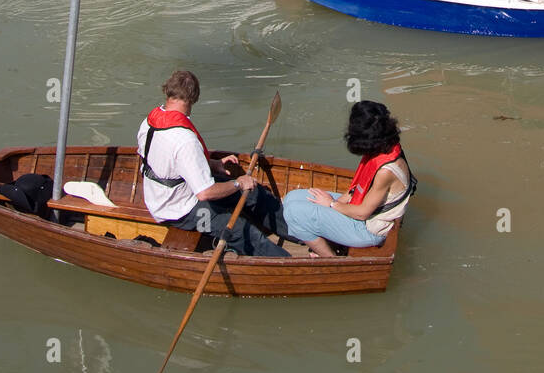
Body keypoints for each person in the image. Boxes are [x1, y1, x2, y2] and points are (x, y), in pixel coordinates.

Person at [136, 69, 291, 257]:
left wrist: (212, 164)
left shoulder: (149, 122)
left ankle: (297, 232)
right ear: (194, 97)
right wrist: (238, 183)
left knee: (254, 195)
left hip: (170, 193)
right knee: (240, 230)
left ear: (168, 92)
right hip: (179, 211)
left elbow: (171, 160)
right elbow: (205, 193)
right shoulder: (185, 140)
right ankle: (288, 265)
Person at [282, 100, 415, 258]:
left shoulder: (385, 172)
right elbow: (357, 189)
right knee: (291, 197)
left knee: (293, 212)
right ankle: (328, 236)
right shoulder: (385, 145)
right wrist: (334, 203)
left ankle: (330, 259)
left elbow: (362, 214)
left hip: (370, 230)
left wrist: (331, 204)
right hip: (363, 210)